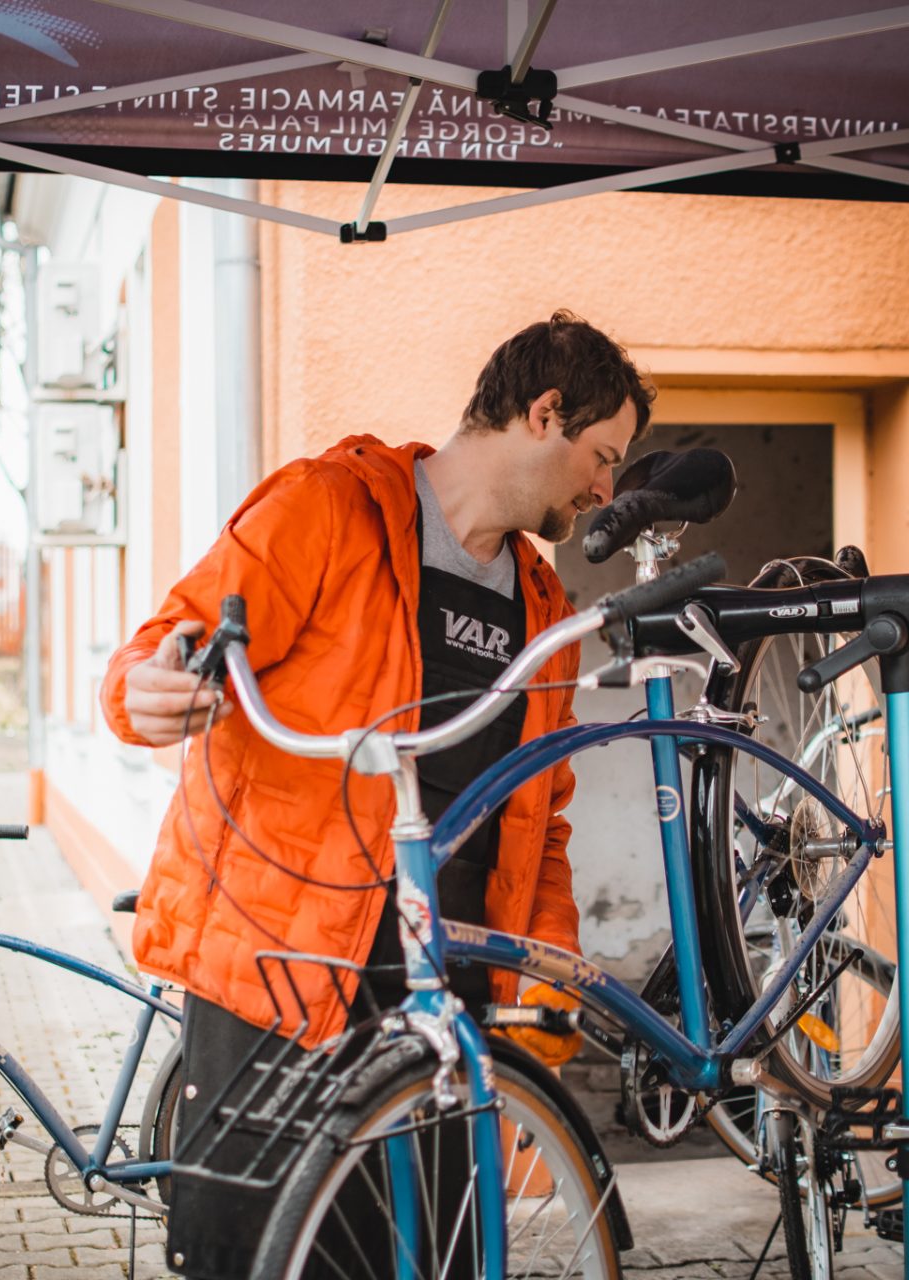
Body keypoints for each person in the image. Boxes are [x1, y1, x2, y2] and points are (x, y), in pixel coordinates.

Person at [99, 310, 654, 1279]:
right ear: (544, 410)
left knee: (424, 1253)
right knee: (263, 1256)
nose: (606, 488)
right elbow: (176, 640)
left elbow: (542, 817)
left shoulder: (544, 604)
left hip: (450, 988)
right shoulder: (328, 507)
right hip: (292, 965)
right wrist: (147, 685)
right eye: (601, 454)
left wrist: (544, 975)